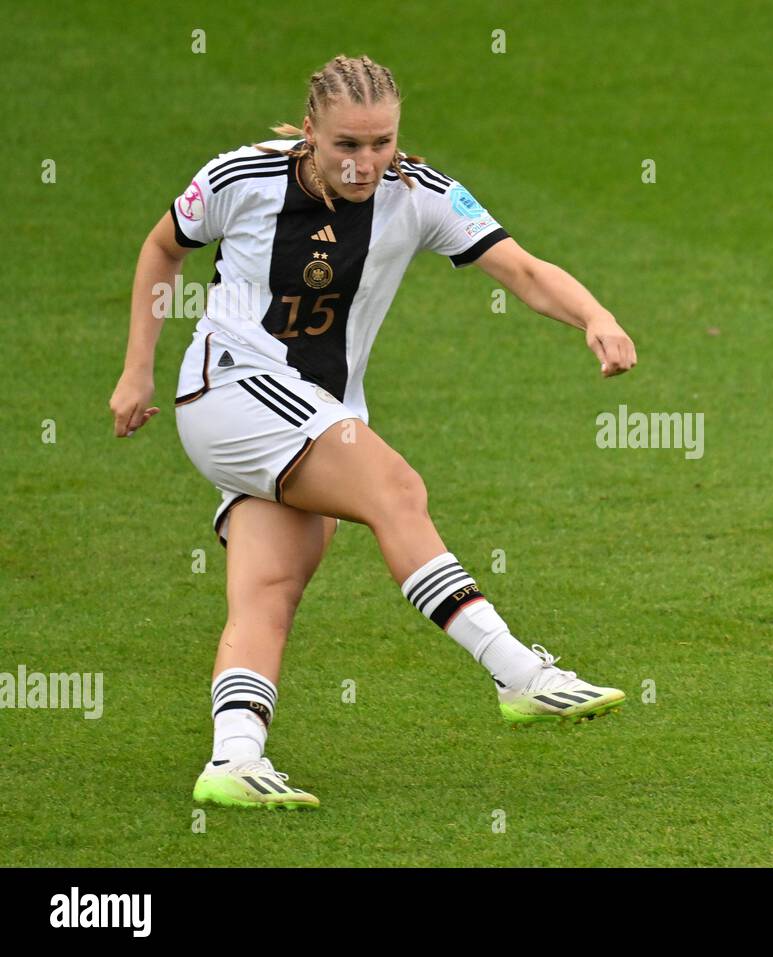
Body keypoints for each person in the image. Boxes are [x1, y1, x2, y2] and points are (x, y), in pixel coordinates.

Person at [108, 54, 638, 810]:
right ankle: (517, 672)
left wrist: (596, 315)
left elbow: (520, 269)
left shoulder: (418, 194)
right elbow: (163, 247)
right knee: (397, 487)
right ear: (311, 129)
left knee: (273, 583)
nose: (364, 164)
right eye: (346, 146)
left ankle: (233, 759)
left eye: (380, 143)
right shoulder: (240, 178)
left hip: (315, 410)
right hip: (233, 390)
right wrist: (138, 371)